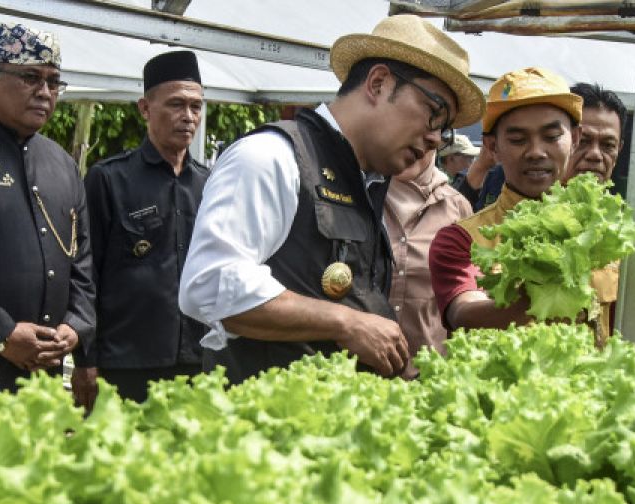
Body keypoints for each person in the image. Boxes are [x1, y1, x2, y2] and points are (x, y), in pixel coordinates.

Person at [178, 15, 483, 383]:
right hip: (269, 425)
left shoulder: (366, 185)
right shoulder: (272, 156)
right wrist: (346, 322)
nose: (435, 139)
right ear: (379, 83)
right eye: (433, 113)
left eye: (444, 128)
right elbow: (209, 284)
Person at [0, 22, 96, 402]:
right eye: (31, 77)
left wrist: (76, 325)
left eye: (53, 81)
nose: (45, 92)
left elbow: (80, 257)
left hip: (47, 372)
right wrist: (1, 334)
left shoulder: (62, 163)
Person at [428, 67, 616, 340]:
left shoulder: (606, 232)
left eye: (551, 137)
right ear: (492, 148)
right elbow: (463, 313)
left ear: (574, 139)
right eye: (517, 140)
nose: (536, 152)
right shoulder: (460, 239)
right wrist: (543, 291)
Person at [83, 51, 209, 402]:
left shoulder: (210, 185)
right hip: (127, 363)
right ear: (144, 108)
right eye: (176, 104)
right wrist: (85, 359)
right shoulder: (109, 179)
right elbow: (86, 274)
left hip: (197, 361)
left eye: (196, 107)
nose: (188, 117)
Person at [384, 146, 472, 377]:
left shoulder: (457, 208)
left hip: (429, 378)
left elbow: (466, 293)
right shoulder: (360, 196)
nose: (411, 144)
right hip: (359, 377)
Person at [565, 82, 626, 337]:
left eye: (607, 145)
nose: (595, 155)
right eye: (584, 141)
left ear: (619, 150)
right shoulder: (520, 219)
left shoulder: (622, 231)